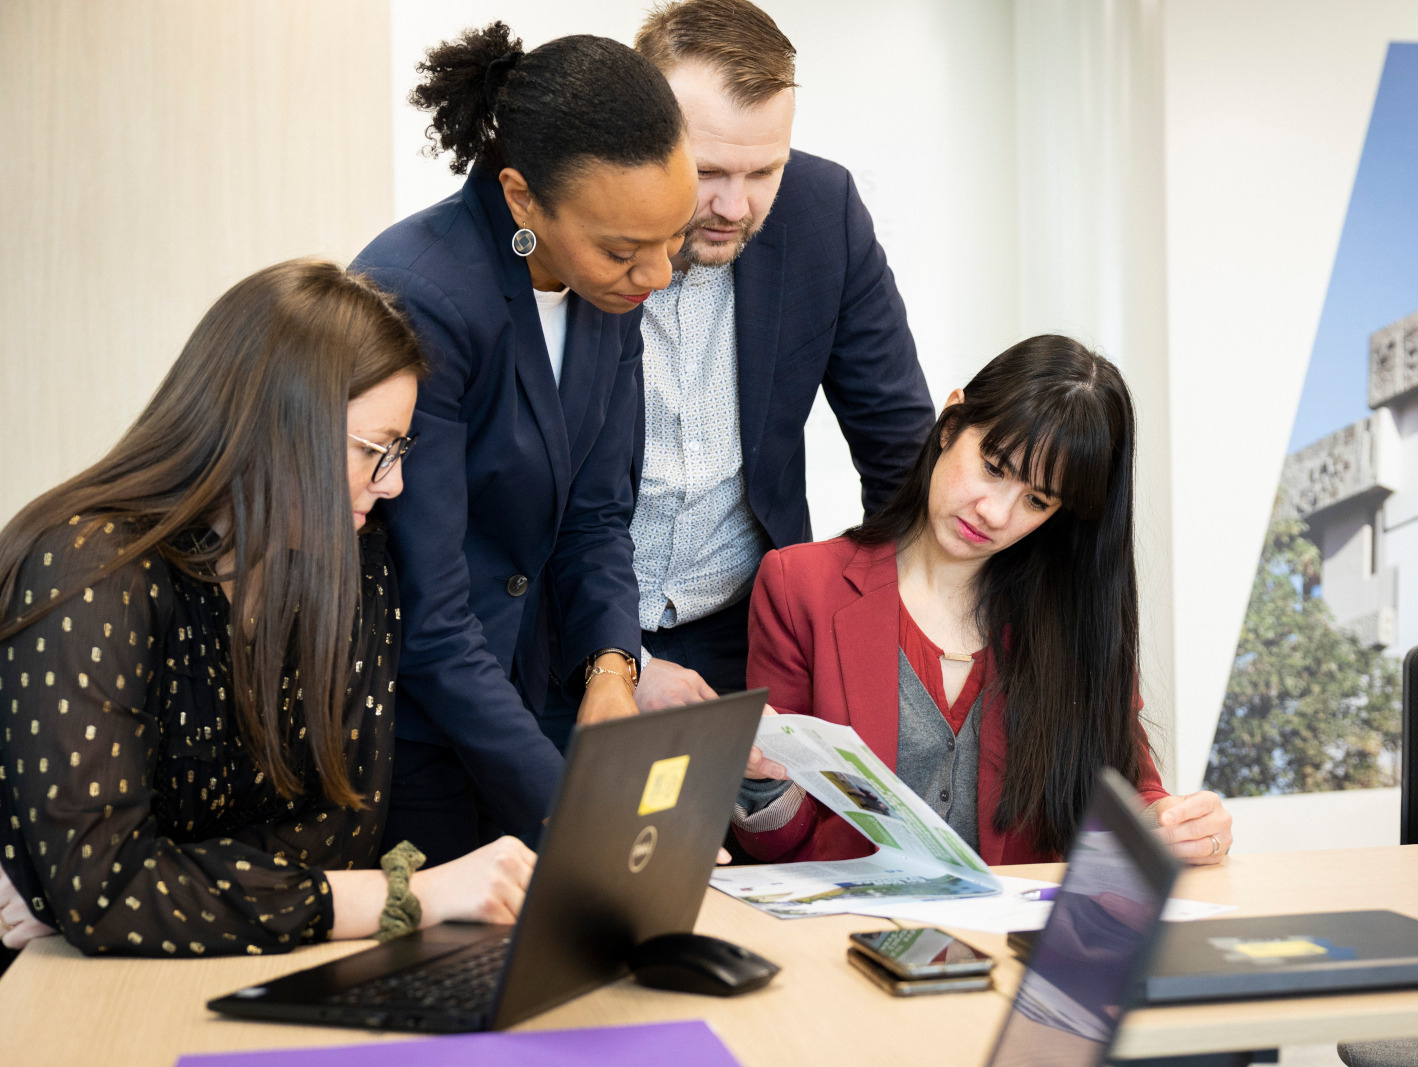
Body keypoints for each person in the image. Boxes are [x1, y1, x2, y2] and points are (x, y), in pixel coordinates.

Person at [0, 259, 534, 960]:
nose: (395, 482)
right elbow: (112, 895)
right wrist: (413, 895)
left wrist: (148, 889)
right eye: (375, 450)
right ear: (276, 428)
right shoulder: (92, 570)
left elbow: (341, 831)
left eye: (400, 450)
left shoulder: (351, 557)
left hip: (227, 958)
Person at [350, 24, 698, 866]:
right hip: (412, 727)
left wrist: (611, 671)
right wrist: (579, 815)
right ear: (520, 198)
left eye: (674, 239)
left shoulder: (602, 293)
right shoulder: (422, 293)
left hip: (529, 691)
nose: (656, 275)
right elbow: (431, 616)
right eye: (624, 249)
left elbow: (596, 515)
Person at [733, 335, 1233, 865]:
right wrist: (759, 780)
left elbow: (1130, 794)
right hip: (850, 932)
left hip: (1015, 940)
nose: (994, 513)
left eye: (1036, 500)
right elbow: (775, 844)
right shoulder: (800, 586)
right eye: (994, 467)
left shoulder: (1075, 621)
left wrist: (1172, 826)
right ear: (950, 425)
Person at [623, 0, 935, 710]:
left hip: (746, 620)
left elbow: (899, 447)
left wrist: (894, 640)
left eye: (764, 171)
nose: (735, 206)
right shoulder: (584, 218)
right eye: (707, 171)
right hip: (570, 628)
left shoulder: (825, 213)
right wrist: (617, 660)